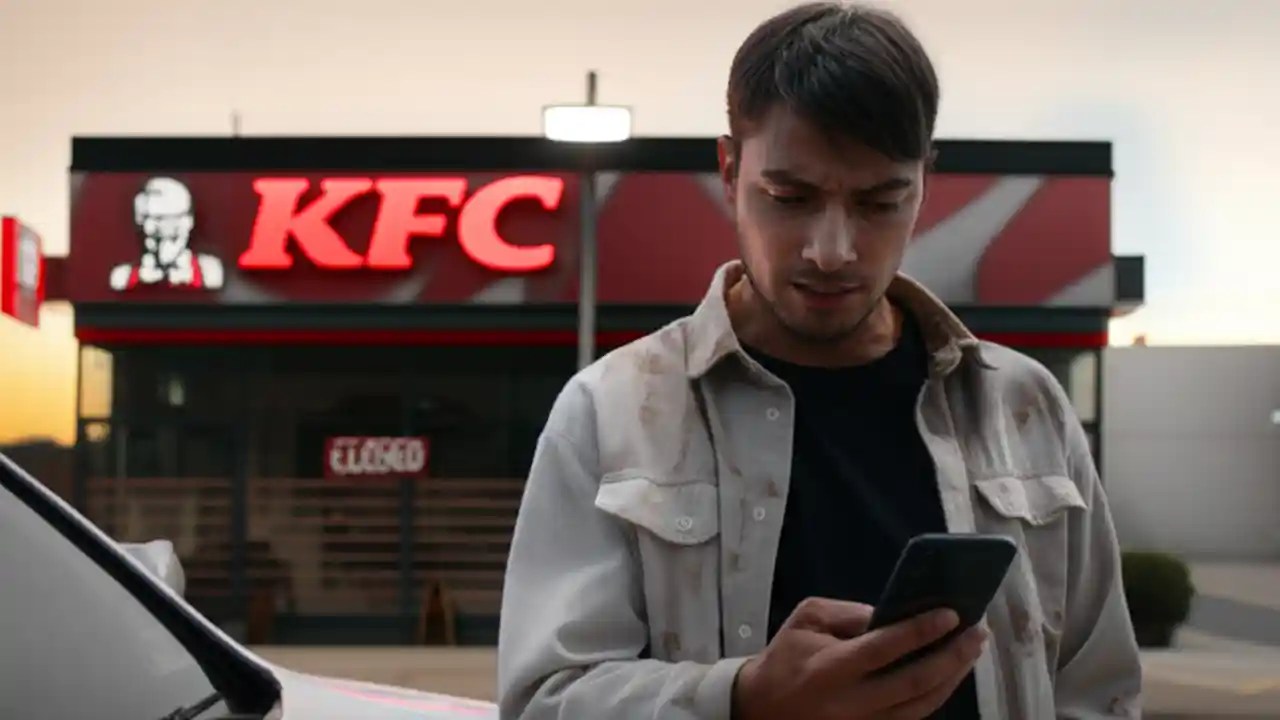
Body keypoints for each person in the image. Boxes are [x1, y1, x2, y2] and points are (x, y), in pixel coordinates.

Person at [496, 2, 1143, 718]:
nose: (831, 250)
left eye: (880, 203)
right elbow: (543, 702)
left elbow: (1099, 695)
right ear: (729, 170)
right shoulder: (611, 411)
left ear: (924, 183)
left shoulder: (1024, 406)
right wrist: (744, 700)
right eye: (789, 197)